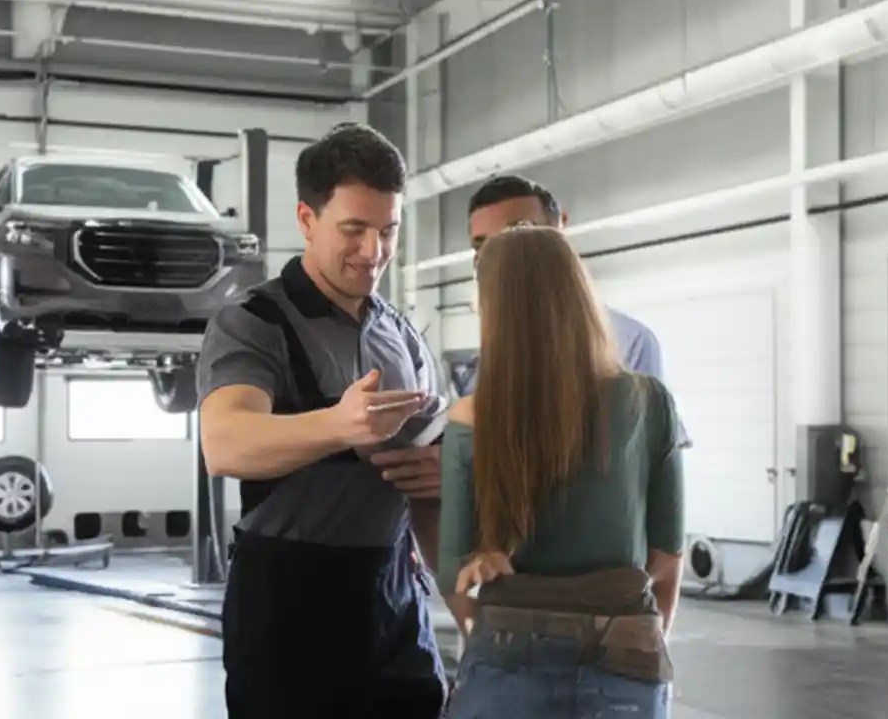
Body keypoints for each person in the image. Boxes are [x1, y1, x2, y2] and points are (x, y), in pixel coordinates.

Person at [196, 123, 448, 719]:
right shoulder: (253, 322)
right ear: (307, 219)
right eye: (353, 230)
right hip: (290, 601)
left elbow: (435, 449)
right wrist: (338, 426)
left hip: (394, 590)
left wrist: (443, 467)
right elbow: (226, 444)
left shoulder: (402, 334)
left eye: (388, 231)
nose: (374, 252)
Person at [437, 226, 685, 718]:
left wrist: (484, 636)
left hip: (508, 653)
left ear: (495, 314)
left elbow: (453, 572)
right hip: (625, 651)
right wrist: (643, 642)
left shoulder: (473, 417)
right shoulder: (647, 400)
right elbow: (666, 558)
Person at [466, 174, 664, 379]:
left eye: (519, 231)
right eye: (482, 246)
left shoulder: (629, 344)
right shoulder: (494, 353)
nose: (500, 255)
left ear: (559, 229)